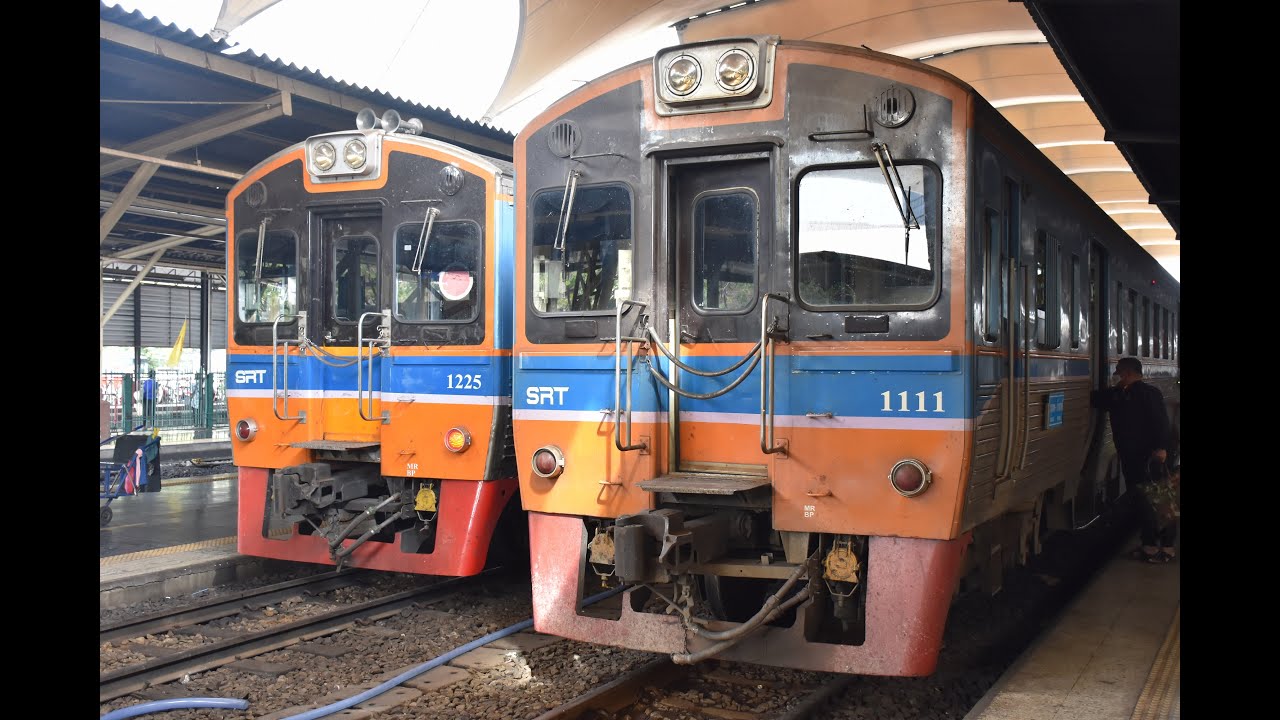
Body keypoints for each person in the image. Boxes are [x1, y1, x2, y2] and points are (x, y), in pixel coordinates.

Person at [1091, 357, 1175, 563]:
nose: (1116, 376)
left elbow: (1161, 423)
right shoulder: (1121, 394)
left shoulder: (1147, 394)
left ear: (1128, 374)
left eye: (1118, 372)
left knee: (1155, 500)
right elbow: (1097, 399)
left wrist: (1161, 448)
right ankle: (1153, 545)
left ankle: (1162, 547)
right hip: (1133, 458)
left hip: (1150, 457)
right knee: (1146, 500)